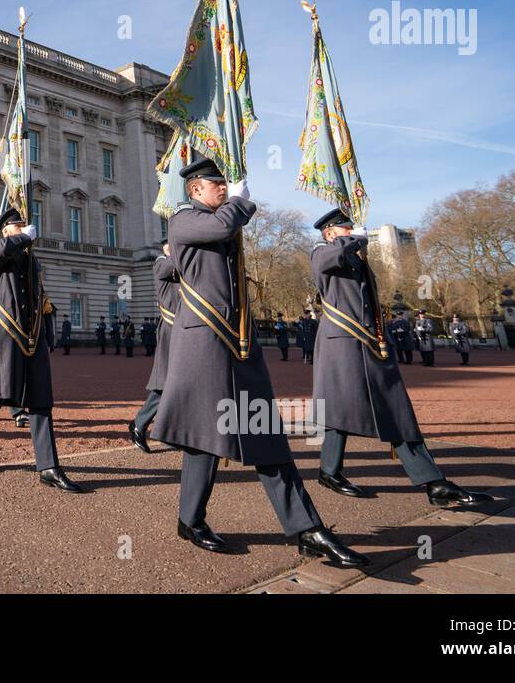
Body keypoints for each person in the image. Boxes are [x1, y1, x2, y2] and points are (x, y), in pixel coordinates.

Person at [149, 154, 367, 566]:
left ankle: (308, 529)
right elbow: (223, 224)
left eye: (225, 186)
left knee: (265, 436)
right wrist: (240, 201)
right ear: (195, 189)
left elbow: (228, 231)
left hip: (238, 346)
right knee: (203, 440)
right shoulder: (183, 221)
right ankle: (191, 520)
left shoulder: (221, 224)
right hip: (204, 347)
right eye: (218, 186)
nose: (224, 190)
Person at [310, 208, 493, 507]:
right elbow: (332, 259)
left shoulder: (355, 258)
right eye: (346, 229)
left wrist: (354, 242)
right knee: (343, 407)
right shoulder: (321, 253)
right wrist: (351, 240)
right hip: (342, 344)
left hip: (369, 343)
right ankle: (332, 472)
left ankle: (433, 483)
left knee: (392, 408)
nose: (354, 233)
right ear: (330, 233)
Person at [0, 206, 84, 493]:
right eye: (18, 226)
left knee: (41, 401)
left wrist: (47, 335)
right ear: (6, 230)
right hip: (6, 336)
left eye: (25, 226)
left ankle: (48, 466)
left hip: (31, 338)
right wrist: (21, 239)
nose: (24, 229)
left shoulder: (32, 259)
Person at [129, 240, 178, 453]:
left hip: (186, 328)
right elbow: (180, 264)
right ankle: (139, 424)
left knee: (181, 384)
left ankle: (170, 432)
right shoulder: (160, 263)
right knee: (166, 383)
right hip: (172, 329)